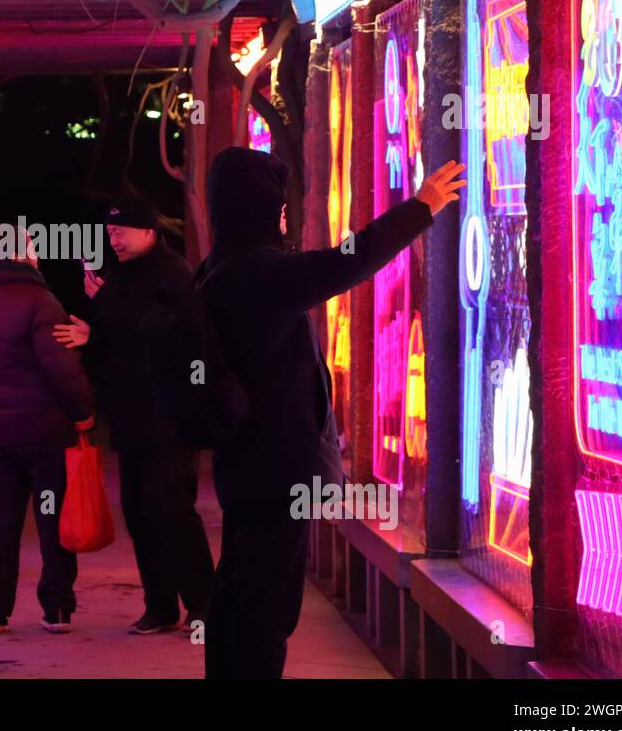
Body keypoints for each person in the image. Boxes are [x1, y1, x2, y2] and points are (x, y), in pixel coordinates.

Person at [195, 147, 466, 678]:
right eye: (277, 208)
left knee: (236, 597)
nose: (284, 220)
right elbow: (349, 260)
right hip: (275, 472)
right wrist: (420, 208)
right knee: (266, 614)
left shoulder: (217, 269)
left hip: (246, 467)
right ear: (258, 209)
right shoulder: (257, 273)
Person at [53, 196, 214, 635]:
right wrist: (92, 333)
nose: (114, 240)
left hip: (171, 416)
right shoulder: (119, 276)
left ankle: (204, 603)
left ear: (149, 232)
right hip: (130, 415)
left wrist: (104, 308)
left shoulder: (174, 274)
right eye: (109, 233)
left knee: (173, 509)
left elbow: (157, 331)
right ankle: (159, 606)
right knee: (138, 511)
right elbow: (117, 340)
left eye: (121, 232)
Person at [0, 224, 95, 635]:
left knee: (1, 519)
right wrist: (83, 411)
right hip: (45, 432)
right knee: (52, 520)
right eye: (31, 248)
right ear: (20, 256)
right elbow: (61, 368)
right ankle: (58, 609)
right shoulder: (41, 302)